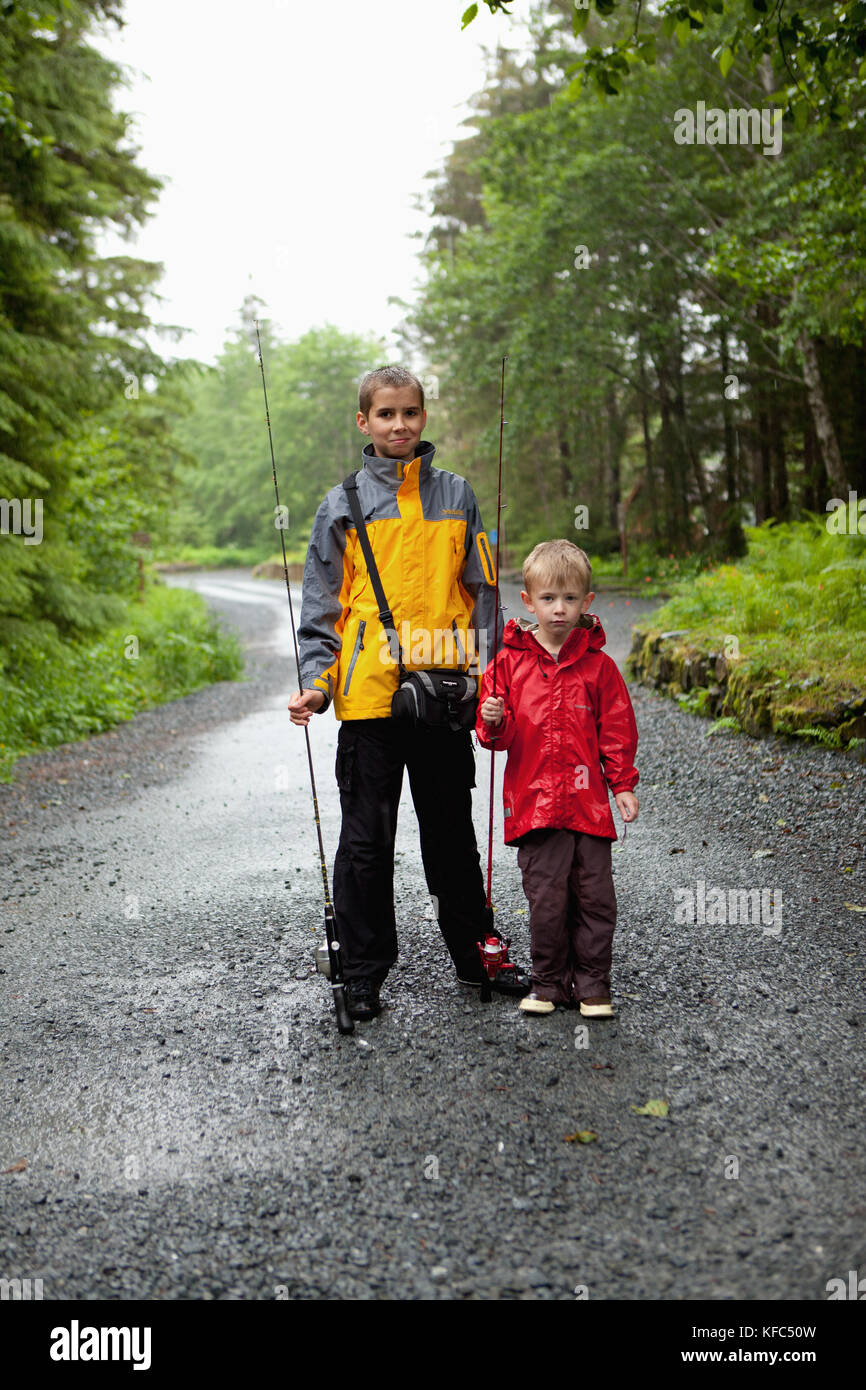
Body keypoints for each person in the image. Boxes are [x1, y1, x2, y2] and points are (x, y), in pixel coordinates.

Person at [288, 365, 529, 1020]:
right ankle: (363, 972)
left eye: (412, 413)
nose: (400, 425)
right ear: (363, 422)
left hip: (445, 692)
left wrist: (490, 679)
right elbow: (319, 611)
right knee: (366, 839)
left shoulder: (458, 494)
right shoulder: (340, 503)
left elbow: (484, 596)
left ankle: (479, 950)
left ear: (425, 418)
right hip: (368, 697)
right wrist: (315, 685)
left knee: (451, 834)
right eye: (386, 414)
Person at [476, 539, 639, 1017]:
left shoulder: (599, 667)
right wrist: (491, 718)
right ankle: (548, 983)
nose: (560, 609)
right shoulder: (508, 663)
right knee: (546, 899)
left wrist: (622, 784)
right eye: (548, 599)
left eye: (570, 599)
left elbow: (616, 729)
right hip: (535, 807)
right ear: (529, 602)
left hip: (589, 809)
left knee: (595, 900)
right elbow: (494, 740)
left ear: (587, 602)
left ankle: (592, 986)